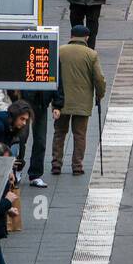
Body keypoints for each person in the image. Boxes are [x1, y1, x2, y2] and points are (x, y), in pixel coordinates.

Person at [50, 25, 106, 176]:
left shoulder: (59, 51)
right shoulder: (91, 54)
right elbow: (99, 78)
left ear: (71, 36)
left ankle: (56, 164)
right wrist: (99, 94)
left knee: (59, 132)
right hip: (82, 102)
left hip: (61, 101)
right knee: (79, 134)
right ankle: (77, 166)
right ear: (87, 38)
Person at [8, 87, 59, 187]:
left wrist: (57, 105)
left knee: (40, 140)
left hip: (41, 103)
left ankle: (35, 174)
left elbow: (57, 79)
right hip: (23, 103)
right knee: (21, 139)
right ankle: (18, 168)